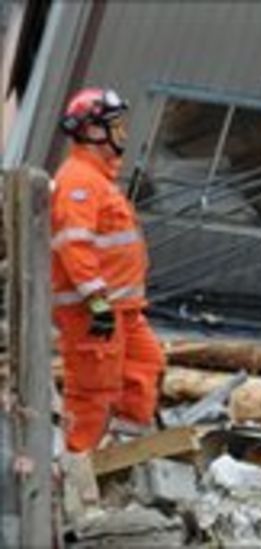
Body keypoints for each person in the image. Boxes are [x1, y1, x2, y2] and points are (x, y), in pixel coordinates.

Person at [51, 87, 165, 452]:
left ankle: (121, 457)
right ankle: (74, 474)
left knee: (145, 368)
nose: (123, 133)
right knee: (92, 392)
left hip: (122, 309)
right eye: (115, 125)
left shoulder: (98, 180)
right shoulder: (78, 182)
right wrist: (96, 301)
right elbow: (74, 243)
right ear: (93, 131)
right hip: (95, 310)